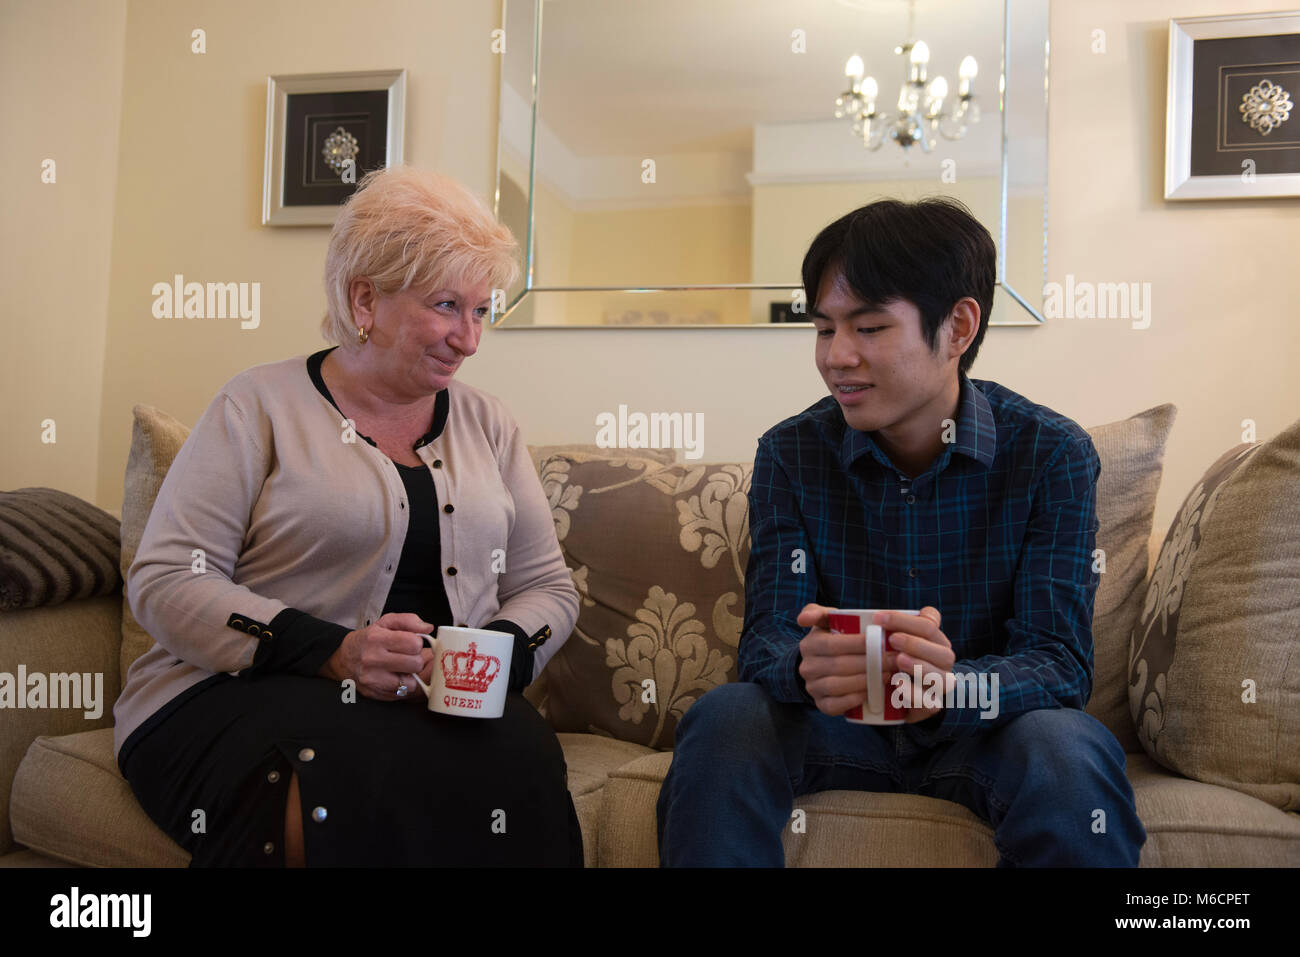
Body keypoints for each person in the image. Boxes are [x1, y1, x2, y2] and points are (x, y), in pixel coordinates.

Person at [114, 165, 582, 867]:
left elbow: (549, 585)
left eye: (482, 310)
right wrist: (333, 650)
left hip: (436, 702)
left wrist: (499, 656)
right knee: (340, 767)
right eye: (447, 305)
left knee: (522, 752)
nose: (469, 338)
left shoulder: (489, 425)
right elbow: (164, 579)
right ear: (366, 298)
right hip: (244, 688)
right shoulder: (257, 405)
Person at [656, 197, 1146, 866]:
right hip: (839, 732)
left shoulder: (1050, 452)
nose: (837, 357)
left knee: (1068, 749)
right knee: (727, 716)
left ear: (958, 326)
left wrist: (948, 689)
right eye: (825, 329)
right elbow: (768, 637)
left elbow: (1059, 662)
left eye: (870, 327)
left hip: (985, 735)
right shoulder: (793, 453)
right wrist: (806, 666)